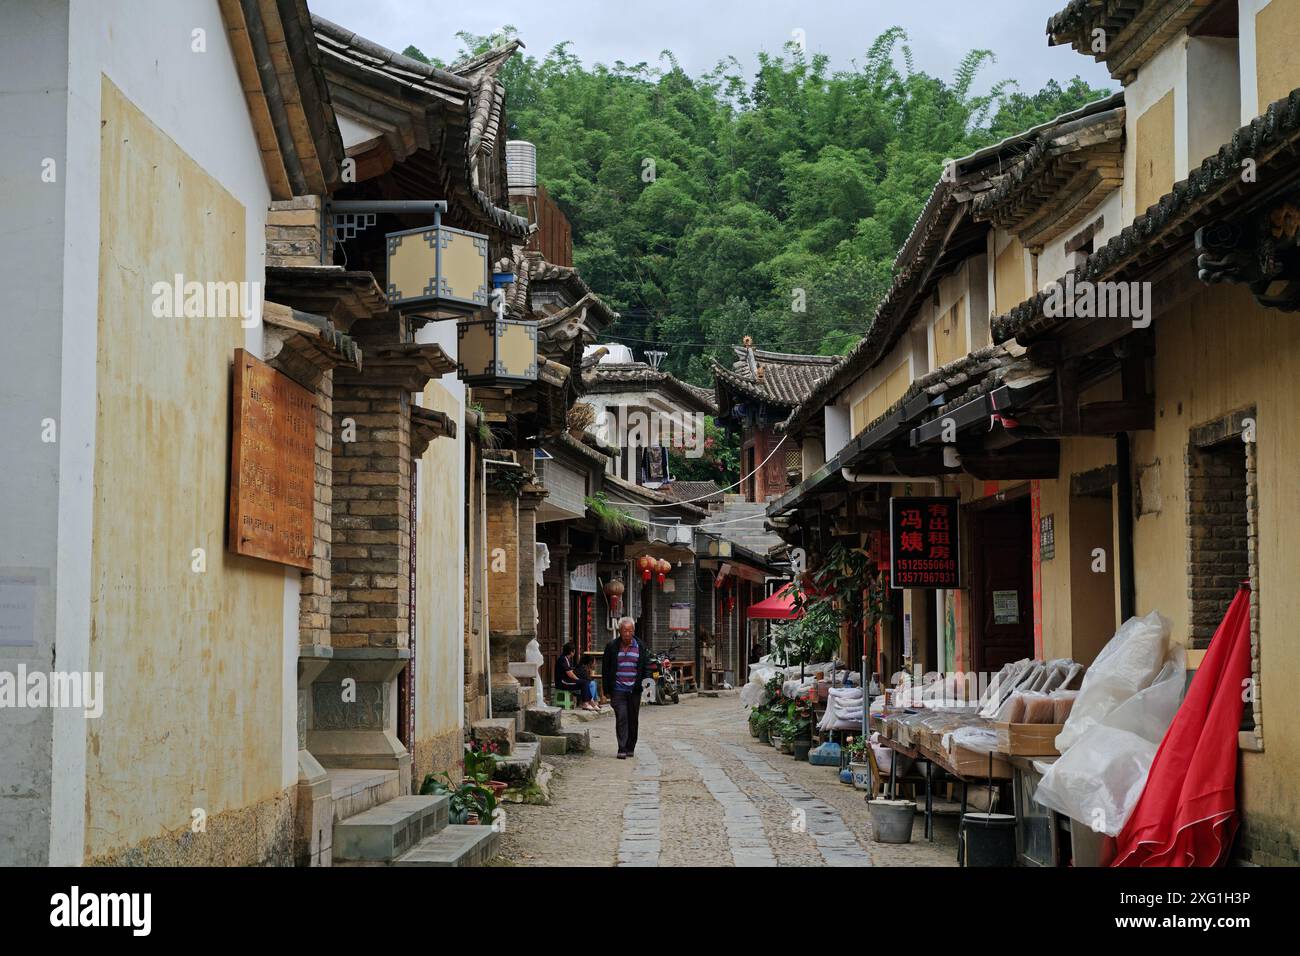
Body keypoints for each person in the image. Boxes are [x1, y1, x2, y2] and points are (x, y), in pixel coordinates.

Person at [602, 617, 653, 758]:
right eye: (625, 631)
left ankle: (631, 746)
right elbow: (606, 669)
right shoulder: (612, 646)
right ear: (619, 631)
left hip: (634, 689)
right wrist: (606, 690)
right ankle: (622, 748)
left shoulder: (641, 646)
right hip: (618, 689)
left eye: (630, 631)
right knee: (621, 717)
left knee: (633, 719)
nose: (627, 634)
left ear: (633, 631)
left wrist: (648, 689)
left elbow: (646, 668)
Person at [554, 642, 596, 710]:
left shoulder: (566, 659)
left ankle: (591, 702)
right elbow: (570, 673)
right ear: (571, 651)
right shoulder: (563, 659)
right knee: (584, 682)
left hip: (566, 681)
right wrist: (578, 680)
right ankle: (586, 703)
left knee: (585, 682)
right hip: (562, 682)